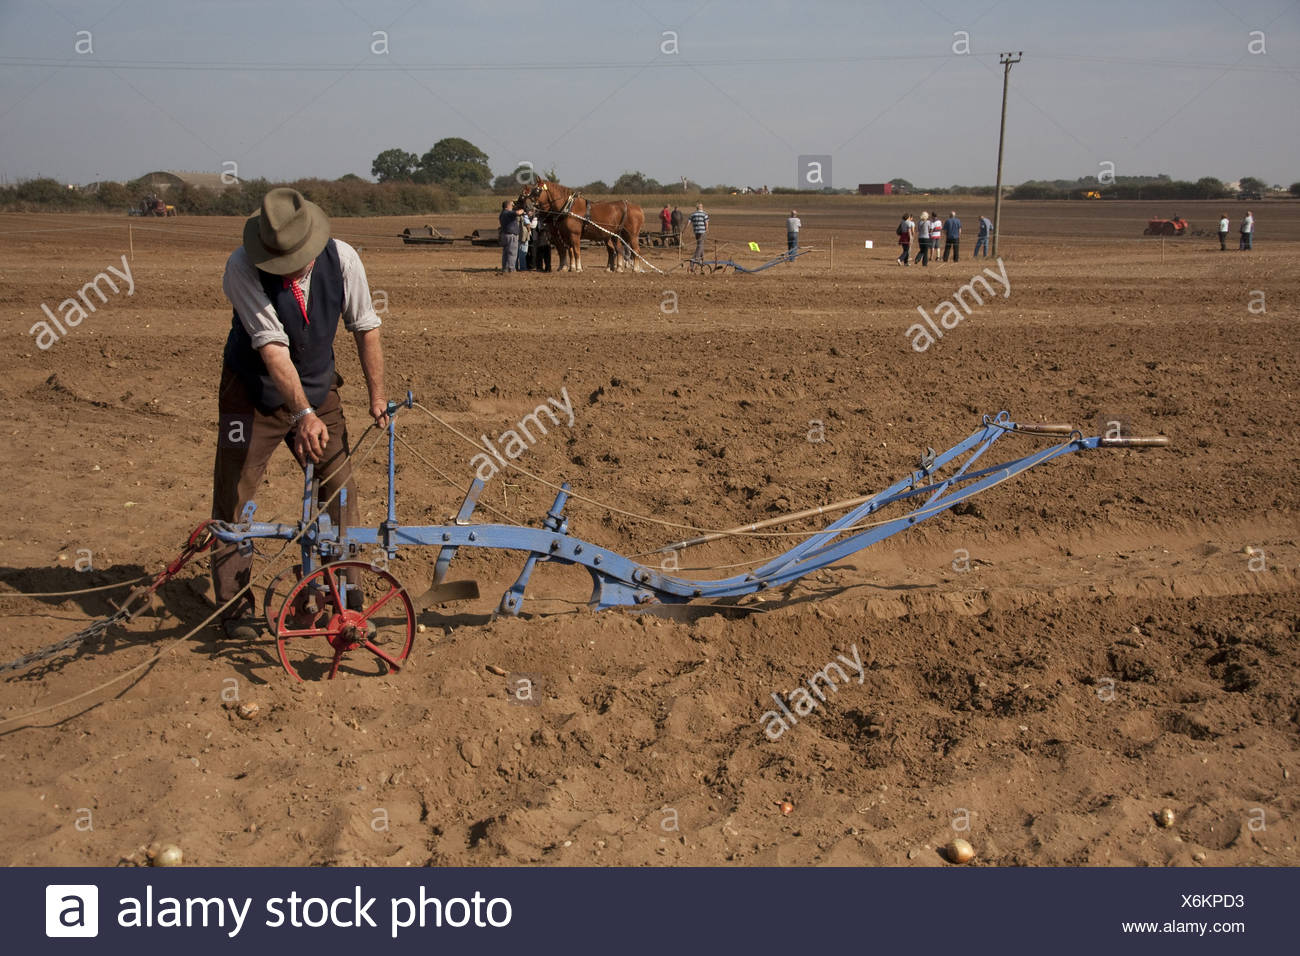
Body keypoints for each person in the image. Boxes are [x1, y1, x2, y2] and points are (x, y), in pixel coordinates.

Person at [214, 187, 387, 639]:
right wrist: (302, 415)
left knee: (341, 493)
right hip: (251, 395)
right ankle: (234, 610)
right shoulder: (240, 267)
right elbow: (273, 349)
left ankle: (348, 602)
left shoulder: (343, 259)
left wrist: (377, 397)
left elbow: (365, 328)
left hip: (317, 386)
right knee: (236, 497)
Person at [499, 200, 522, 272]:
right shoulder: (507, 213)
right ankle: (511, 268)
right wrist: (523, 209)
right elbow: (518, 212)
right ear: (508, 206)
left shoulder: (502, 213)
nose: (512, 207)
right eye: (511, 205)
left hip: (504, 235)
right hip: (511, 236)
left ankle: (505, 268)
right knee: (512, 252)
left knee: (506, 252)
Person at [688, 201, 709, 268]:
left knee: (701, 245)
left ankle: (702, 260)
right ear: (701, 207)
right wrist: (706, 229)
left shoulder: (693, 214)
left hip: (696, 232)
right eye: (702, 206)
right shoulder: (704, 214)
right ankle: (694, 259)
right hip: (702, 232)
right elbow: (706, 223)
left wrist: (684, 230)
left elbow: (688, 222)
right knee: (700, 246)